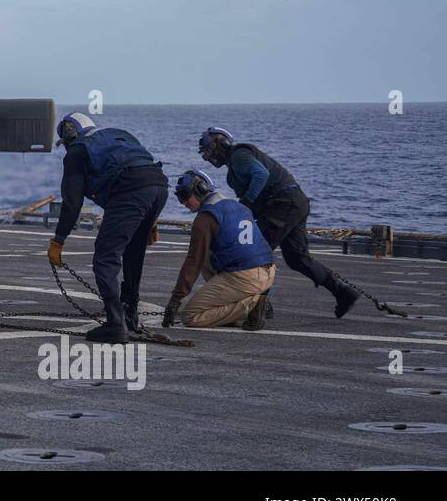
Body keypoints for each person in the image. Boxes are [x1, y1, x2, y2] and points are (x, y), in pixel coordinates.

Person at [198, 127, 359, 318]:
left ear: (221, 143)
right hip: (295, 203)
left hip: (284, 204)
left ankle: (258, 307)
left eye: (209, 149)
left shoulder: (239, 156)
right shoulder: (232, 172)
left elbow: (261, 174)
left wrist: (247, 202)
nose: (208, 156)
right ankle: (343, 292)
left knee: (256, 253)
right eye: (205, 152)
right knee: (297, 258)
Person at [48, 113, 168, 343]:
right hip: (159, 187)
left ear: (70, 134)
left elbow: (72, 202)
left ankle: (116, 324)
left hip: (130, 191)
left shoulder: (77, 151)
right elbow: (143, 165)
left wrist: (58, 240)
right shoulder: (120, 134)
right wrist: (151, 220)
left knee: (105, 258)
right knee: (134, 252)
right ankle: (130, 314)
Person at [162, 170, 277, 330]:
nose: (183, 202)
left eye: (184, 196)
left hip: (245, 277)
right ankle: (247, 300)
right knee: (208, 256)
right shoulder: (238, 206)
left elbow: (194, 261)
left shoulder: (205, 219)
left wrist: (175, 300)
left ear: (200, 190)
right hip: (268, 271)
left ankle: (252, 304)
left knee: (191, 316)